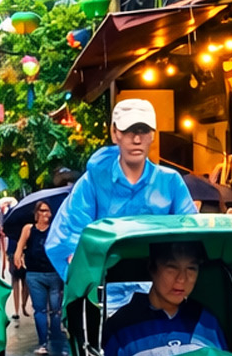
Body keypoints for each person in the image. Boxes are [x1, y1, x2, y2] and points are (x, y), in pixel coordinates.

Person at [46, 99, 197, 307]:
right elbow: (67, 235)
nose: (136, 139)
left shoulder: (170, 182)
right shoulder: (93, 181)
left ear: (153, 134)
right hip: (106, 302)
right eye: (128, 131)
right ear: (115, 133)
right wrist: (79, 264)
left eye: (143, 131)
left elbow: (192, 235)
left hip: (160, 299)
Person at [92, 242, 225, 356]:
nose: (182, 279)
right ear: (152, 268)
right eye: (171, 268)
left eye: (191, 269)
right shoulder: (120, 328)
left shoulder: (207, 322)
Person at [17, 200, 63, 355]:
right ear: (36, 213)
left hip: (54, 273)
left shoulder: (56, 228)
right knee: (39, 310)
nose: (45, 214)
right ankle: (43, 343)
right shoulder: (28, 229)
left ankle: (56, 341)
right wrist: (18, 257)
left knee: (55, 310)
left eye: (48, 211)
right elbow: (19, 247)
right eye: (42, 211)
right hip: (34, 275)